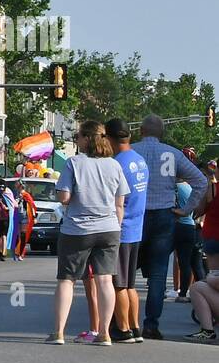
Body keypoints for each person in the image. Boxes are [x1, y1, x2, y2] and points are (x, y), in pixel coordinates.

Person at [48, 121, 129, 346]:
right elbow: (120, 203)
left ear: (86, 138)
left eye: (78, 136)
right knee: (105, 281)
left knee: (67, 280)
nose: (77, 140)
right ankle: (104, 333)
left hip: (77, 229)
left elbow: (64, 197)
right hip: (109, 228)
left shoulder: (74, 163)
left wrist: (77, 196)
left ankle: (59, 332)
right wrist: (116, 227)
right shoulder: (114, 165)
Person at [132, 114, 209, 340]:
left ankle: (123, 320)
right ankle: (151, 324)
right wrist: (187, 210)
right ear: (162, 133)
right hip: (165, 216)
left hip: (136, 216)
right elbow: (201, 181)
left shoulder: (130, 152)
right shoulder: (173, 154)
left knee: (125, 270)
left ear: (141, 131)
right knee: (157, 274)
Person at [106, 118, 147, 344]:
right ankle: (135, 326)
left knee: (118, 283)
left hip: (122, 228)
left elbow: (115, 199)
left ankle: (123, 329)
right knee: (130, 283)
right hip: (137, 228)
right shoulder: (140, 161)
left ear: (110, 138)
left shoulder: (117, 163)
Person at [11, 180, 37, 261]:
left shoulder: (26, 195)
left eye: (18, 185)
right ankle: (15, 252)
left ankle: (21, 253)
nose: (17, 186)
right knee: (16, 235)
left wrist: (34, 216)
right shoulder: (14, 194)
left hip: (24, 216)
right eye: (16, 185)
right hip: (15, 216)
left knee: (23, 234)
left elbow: (32, 206)